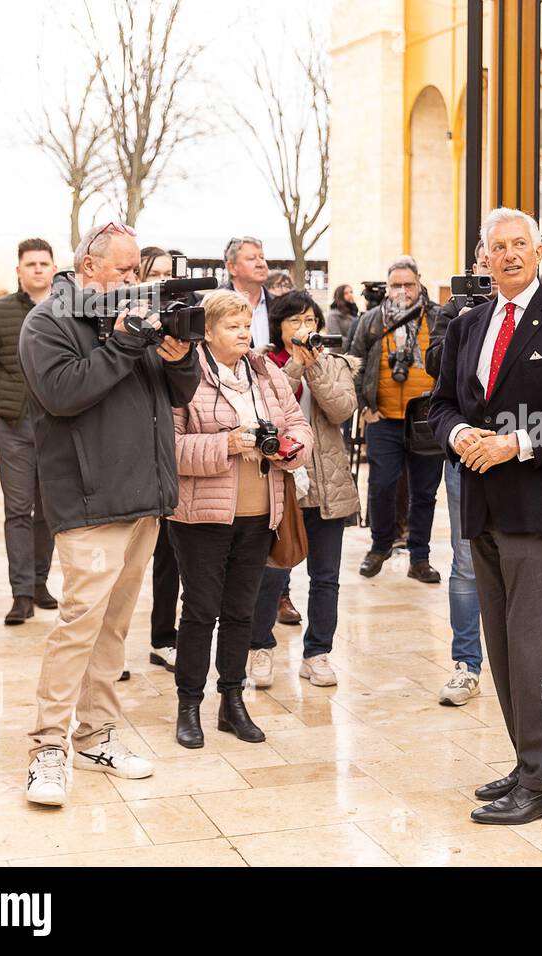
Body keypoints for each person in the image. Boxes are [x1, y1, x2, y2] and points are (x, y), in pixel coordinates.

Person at [430, 207, 542, 824]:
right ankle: (530, 761)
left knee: (533, 648)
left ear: (539, 254)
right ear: (483, 257)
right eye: (496, 246)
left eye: (519, 245)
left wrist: (516, 443)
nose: (508, 254)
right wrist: (457, 436)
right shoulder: (467, 324)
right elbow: (442, 404)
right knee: (502, 648)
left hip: (537, 508)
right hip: (480, 507)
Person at [19, 222, 200, 804]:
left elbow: (177, 394)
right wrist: (124, 343)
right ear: (89, 266)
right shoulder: (48, 321)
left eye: (137, 272)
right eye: (125, 271)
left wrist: (176, 356)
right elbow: (62, 394)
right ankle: (48, 746)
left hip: (142, 495)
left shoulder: (136, 312)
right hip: (90, 499)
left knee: (113, 628)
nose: (135, 281)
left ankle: (95, 734)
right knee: (79, 623)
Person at [168, 289, 311, 748]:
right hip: (201, 517)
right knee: (200, 611)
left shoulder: (265, 370)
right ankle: (188, 706)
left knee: (240, 614)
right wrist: (226, 445)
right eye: (233, 326)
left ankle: (232, 702)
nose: (244, 334)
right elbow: (167, 449)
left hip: (259, 512)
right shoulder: (185, 375)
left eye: (247, 325)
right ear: (207, 332)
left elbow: (297, 423)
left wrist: (292, 450)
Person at [249, 291, 358, 689]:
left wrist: (313, 370)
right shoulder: (261, 365)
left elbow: (342, 410)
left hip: (327, 485)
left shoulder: (335, 363)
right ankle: (259, 647)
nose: (303, 328)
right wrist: (295, 366)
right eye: (294, 321)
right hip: (282, 485)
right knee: (272, 573)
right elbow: (269, 414)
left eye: (309, 320)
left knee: (326, 576)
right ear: (279, 327)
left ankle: (318, 653)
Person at [0, 238, 59, 625]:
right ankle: (21, 593)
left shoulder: (67, 311)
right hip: (12, 423)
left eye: (44, 263)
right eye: (31, 264)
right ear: (20, 270)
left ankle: (40, 583)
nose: (38, 269)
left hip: (57, 425)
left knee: (48, 511)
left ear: (54, 268)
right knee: (17, 510)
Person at [349, 255, 445, 584]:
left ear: (420, 284)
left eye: (409, 284)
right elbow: (354, 363)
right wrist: (364, 406)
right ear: (387, 288)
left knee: (424, 493)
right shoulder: (371, 321)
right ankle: (379, 546)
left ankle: (420, 557)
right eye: (396, 285)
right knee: (381, 485)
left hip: (426, 422)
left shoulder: (436, 317)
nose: (403, 290)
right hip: (384, 418)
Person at [425, 240, 492, 705]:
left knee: (524, 559)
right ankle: (467, 663)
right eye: (487, 258)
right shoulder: (453, 311)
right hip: (466, 452)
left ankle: (525, 662)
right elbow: (434, 368)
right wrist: (468, 316)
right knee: (466, 560)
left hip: (519, 450)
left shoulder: (536, 312)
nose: (497, 264)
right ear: (473, 265)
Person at [221, 236, 301, 627]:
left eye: (263, 256)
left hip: (275, 394)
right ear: (232, 266)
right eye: (251, 258)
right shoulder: (211, 302)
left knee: (276, 520)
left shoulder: (277, 304)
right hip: (226, 412)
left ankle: (279, 595)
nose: (261, 263)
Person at [140, 246, 180, 670]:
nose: (163, 281)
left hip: (175, 444)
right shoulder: (124, 315)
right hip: (135, 444)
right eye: (156, 272)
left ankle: (163, 636)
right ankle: (106, 650)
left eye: (170, 273)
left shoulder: (181, 317)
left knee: (170, 552)